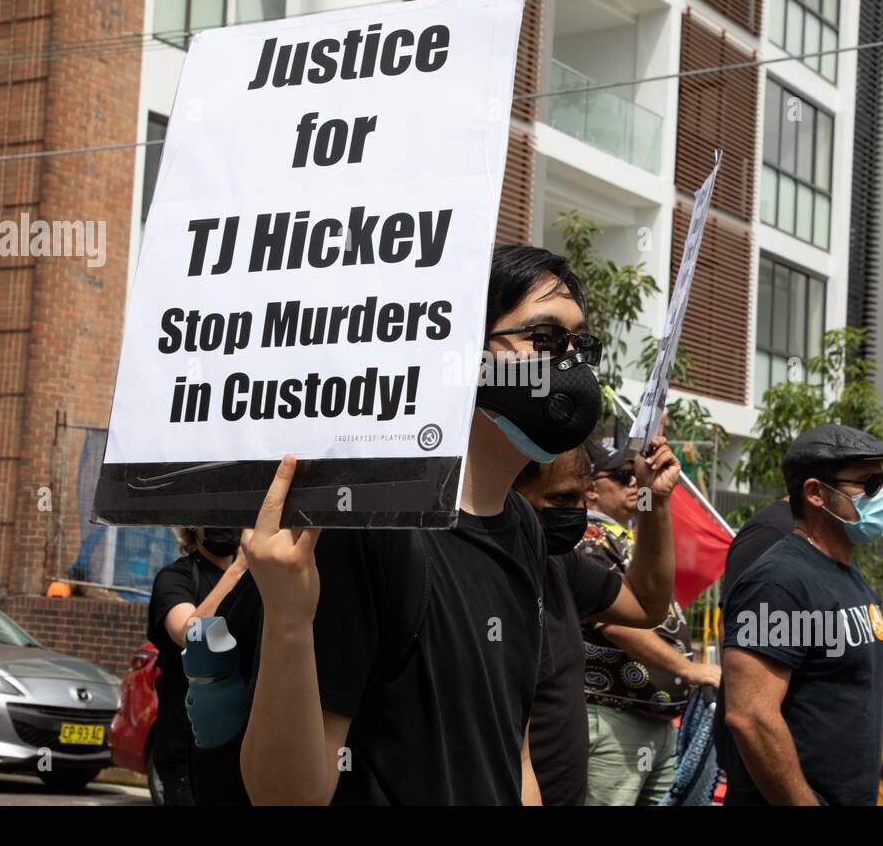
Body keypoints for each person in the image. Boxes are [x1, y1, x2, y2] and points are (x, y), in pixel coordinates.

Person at [193, 245, 604, 805]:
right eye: (547, 342)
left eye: (584, 346)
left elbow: (516, 753)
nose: (572, 366)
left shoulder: (523, 529)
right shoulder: (371, 524)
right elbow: (288, 795)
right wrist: (289, 619)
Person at [716, 425, 883, 805]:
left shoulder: (849, 578)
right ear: (816, 493)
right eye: (867, 484)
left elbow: (864, 704)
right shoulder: (778, 582)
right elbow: (750, 717)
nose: (880, 496)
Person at [513, 430, 681, 806]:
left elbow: (645, 605)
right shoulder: (472, 569)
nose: (576, 512)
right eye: (561, 499)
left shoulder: (560, 564)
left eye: (578, 496)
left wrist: (655, 499)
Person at [578, 441, 719, 806]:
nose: (634, 485)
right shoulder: (587, 537)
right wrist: (689, 670)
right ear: (591, 489)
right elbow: (617, 626)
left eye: (635, 476)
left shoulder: (628, 537)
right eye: (625, 476)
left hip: (651, 722)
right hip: (615, 720)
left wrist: (653, 495)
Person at [146, 527, 248, 805]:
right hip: (186, 752)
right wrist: (240, 567)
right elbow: (187, 632)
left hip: (240, 748)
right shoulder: (175, 577)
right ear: (192, 526)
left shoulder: (253, 580)